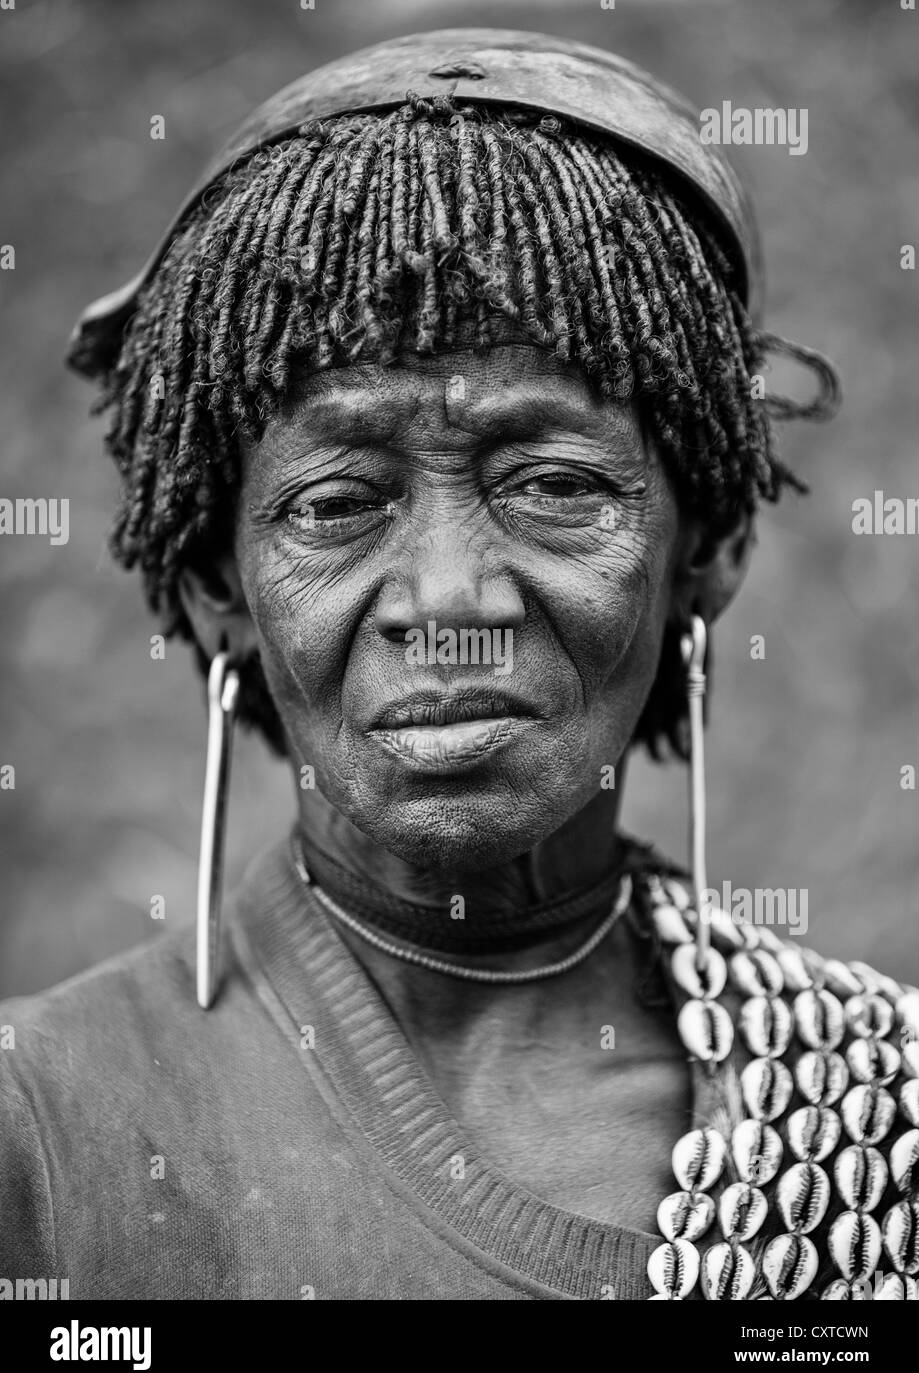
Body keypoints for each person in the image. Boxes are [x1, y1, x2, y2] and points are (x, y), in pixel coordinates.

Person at [2, 29, 916, 1302]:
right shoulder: (39, 1129)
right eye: (335, 502)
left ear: (707, 548)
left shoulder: (879, 1099)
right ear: (221, 590)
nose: (447, 602)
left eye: (551, 484)